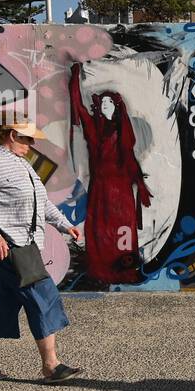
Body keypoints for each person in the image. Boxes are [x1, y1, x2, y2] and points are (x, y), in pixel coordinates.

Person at [0, 122, 85, 383]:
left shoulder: (22, 165)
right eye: (27, 140)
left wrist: (65, 225)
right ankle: (51, 366)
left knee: (5, 304)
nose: (31, 146)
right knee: (43, 294)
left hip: (24, 246)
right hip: (10, 246)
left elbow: (42, 204)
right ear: (12, 135)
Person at [69, 63, 152, 284]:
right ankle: (102, 271)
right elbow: (79, 108)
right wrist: (75, 77)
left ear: (116, 107)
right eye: (103, 102)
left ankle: (123, 270)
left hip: (120, 191)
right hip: (100, 190)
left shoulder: (122, 130)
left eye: (109, 102)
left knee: (122, 230)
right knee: (99, 231)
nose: (105, 105)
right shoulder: (93, 128)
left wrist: (140, 186)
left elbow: (129, 160)